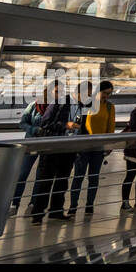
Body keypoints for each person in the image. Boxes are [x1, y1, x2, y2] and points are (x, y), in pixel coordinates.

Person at [28, 92, 78, 224]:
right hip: (53, 148)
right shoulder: (60, 103)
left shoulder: (84, 106)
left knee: (62, 180)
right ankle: (37, 214)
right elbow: (45, 123)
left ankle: (56, 210)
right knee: (46, 181)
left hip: (69, 149)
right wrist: (65, 125)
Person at [68, 80, 115, 217]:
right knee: (78, 176)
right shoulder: (87, 104)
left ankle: (89, 205)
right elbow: (79, 123)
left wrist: (109, 145)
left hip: (98, 148)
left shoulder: (109, 107)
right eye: (105, 93)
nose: (107, 96)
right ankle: (73, 206)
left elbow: (110, 127)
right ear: (98, 90)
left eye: (109, 94)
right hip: (84, 146)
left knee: (94, 177)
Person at [9, 93, 47, 215]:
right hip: (31, 144)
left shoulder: (56, 108)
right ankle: (15, 203)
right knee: (22, 174)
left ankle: (33, 204)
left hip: (47, 145)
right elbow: (22, 123)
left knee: (40, 177)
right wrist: (34, 130)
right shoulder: (33, 106)